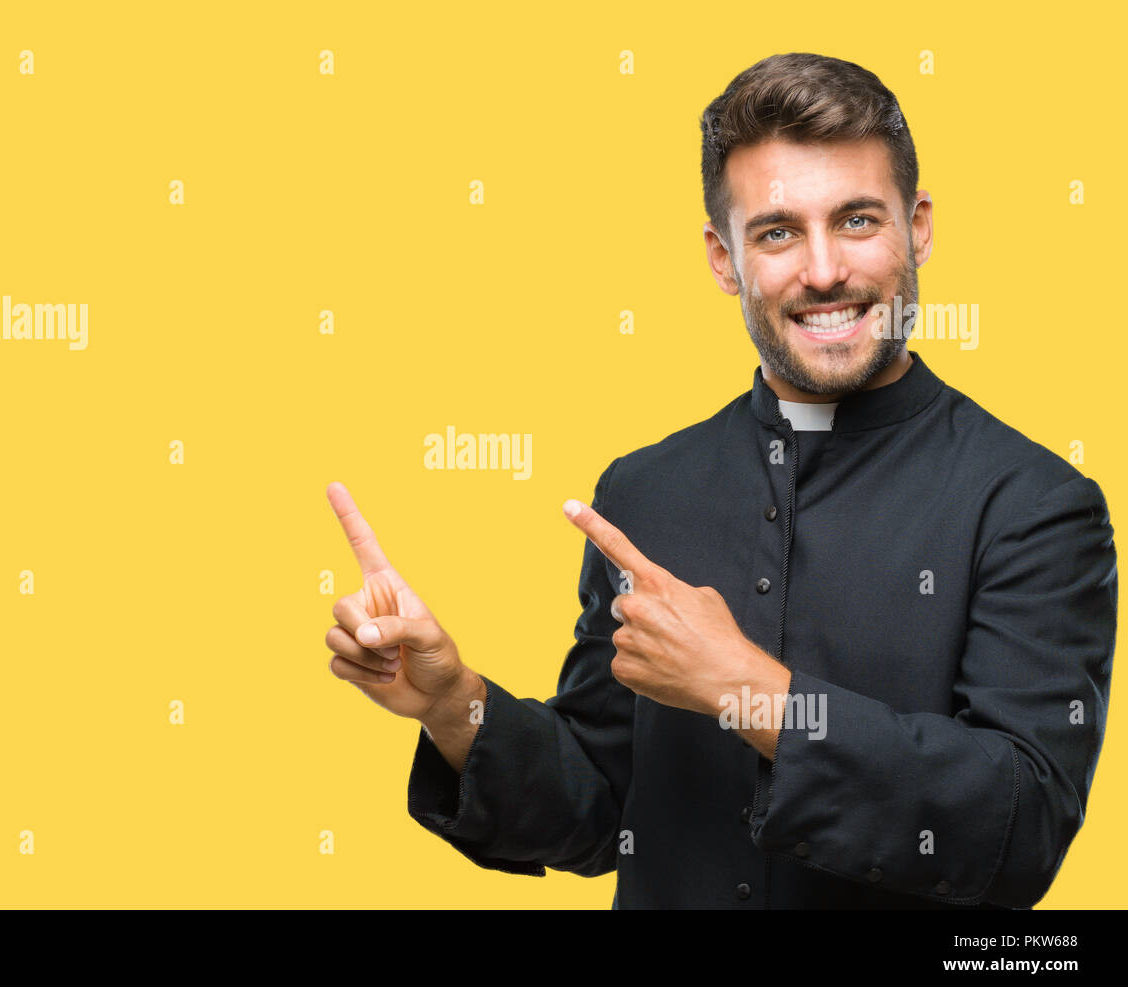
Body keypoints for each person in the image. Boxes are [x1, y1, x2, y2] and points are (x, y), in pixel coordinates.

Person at [323, 52, 1117, 908]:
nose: (822, 271)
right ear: (723, 258)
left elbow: (1021, 823)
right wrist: (456, 705)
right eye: (777, 232)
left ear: (918, 227)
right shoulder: (644, 491)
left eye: (856, 220)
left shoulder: (1034, 504)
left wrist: (745, 688)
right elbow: (601, 810)